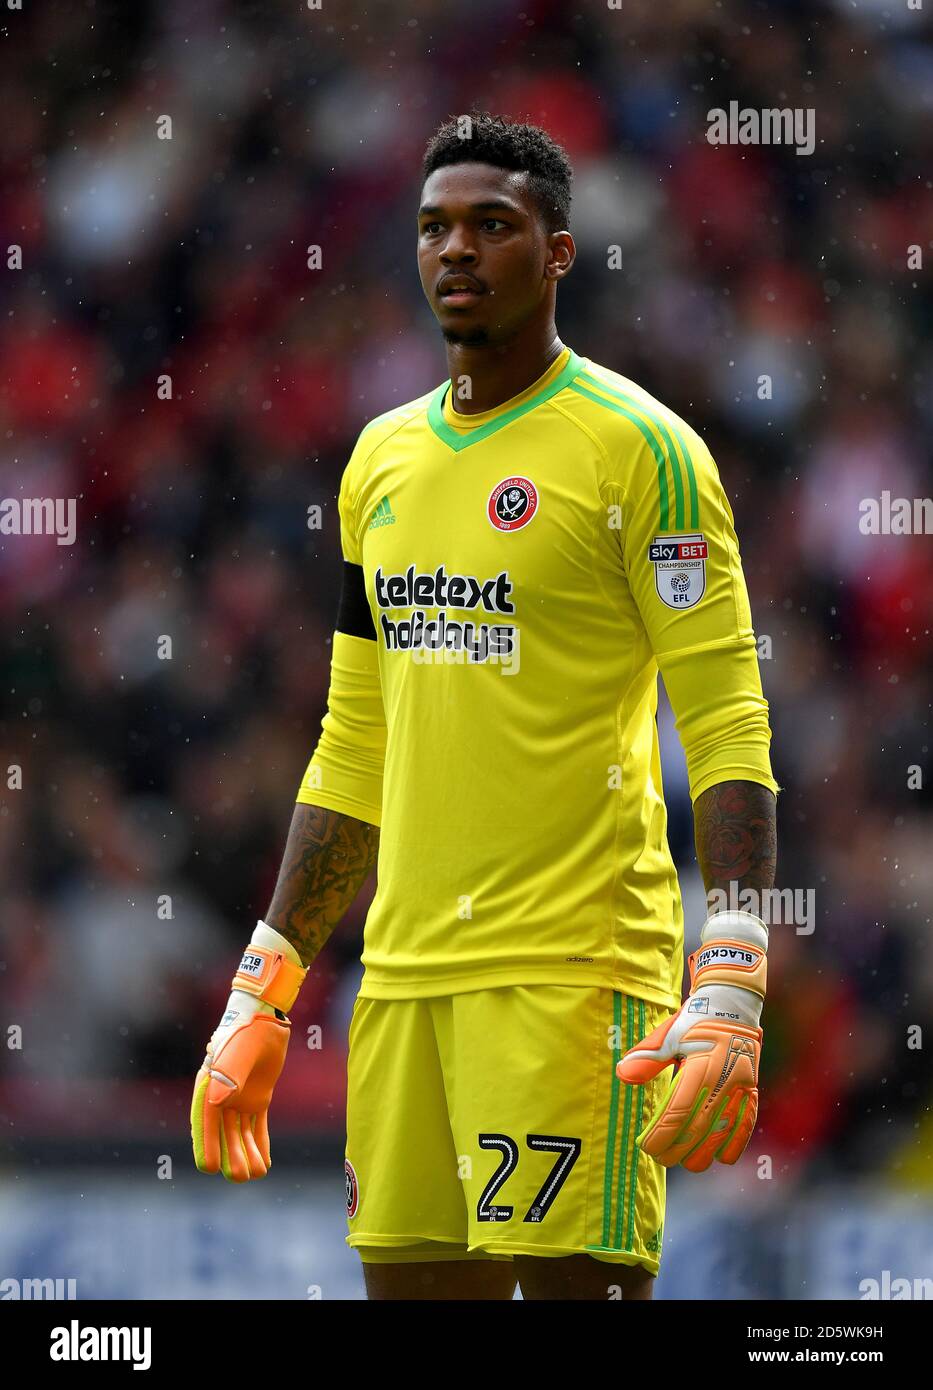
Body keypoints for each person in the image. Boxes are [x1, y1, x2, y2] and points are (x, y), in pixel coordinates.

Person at [191, 112, 778, 1302]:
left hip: (571, 980)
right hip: (402, 985)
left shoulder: (643, 452)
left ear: (559, 253)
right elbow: (356, 741)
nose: (455, 251)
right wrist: (266, 982)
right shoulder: (380, 463)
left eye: (492, 227)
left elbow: (725, 723)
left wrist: (732, 972)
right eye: (433, 229)